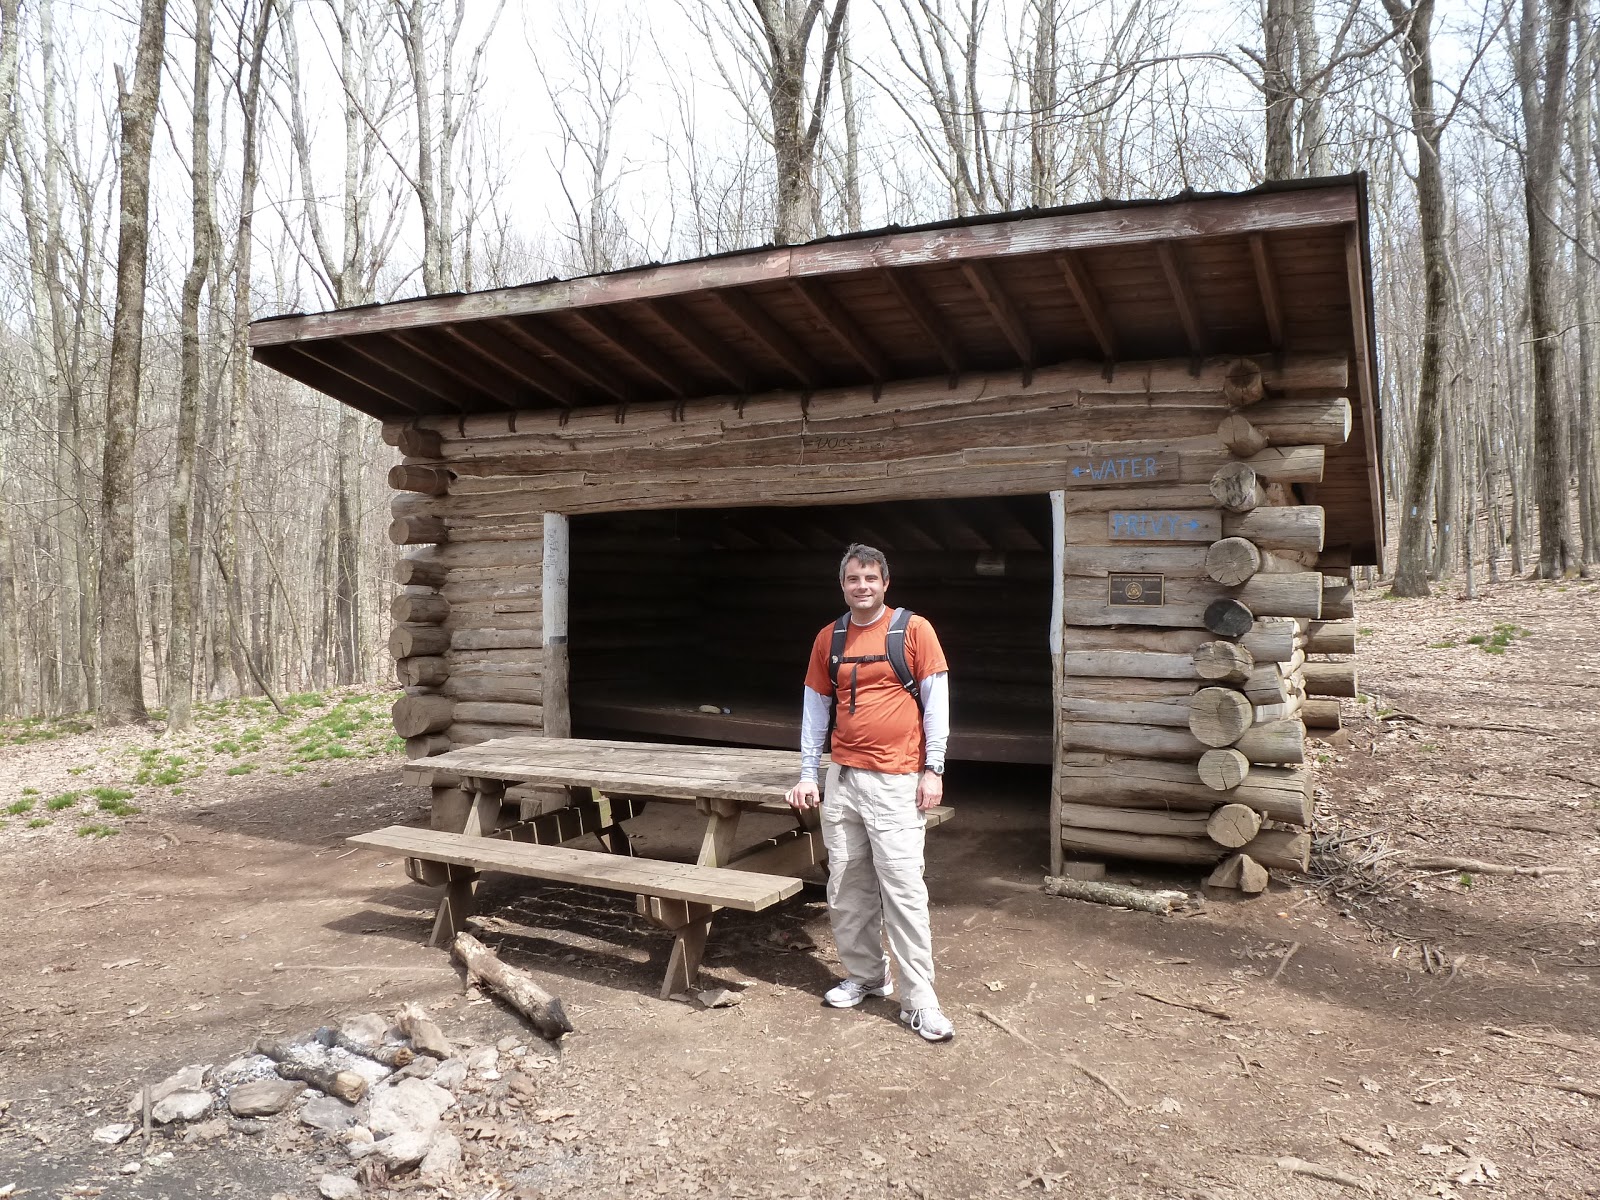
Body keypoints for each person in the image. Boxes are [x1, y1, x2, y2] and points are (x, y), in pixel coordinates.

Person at [785, 543, 954, 1043]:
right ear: (843, 585)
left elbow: (936, 702)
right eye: (854, 579)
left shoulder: (914, 630)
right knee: (846, 887)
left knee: (903, 890)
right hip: (842, 779)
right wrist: (808, 773)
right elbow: (815, 708)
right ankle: (866, 976)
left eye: (871, 578)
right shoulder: (829, 637)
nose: (863, 586)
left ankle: (920, 1001)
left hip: (897, 779)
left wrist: (933, 768)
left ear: (885, 583)